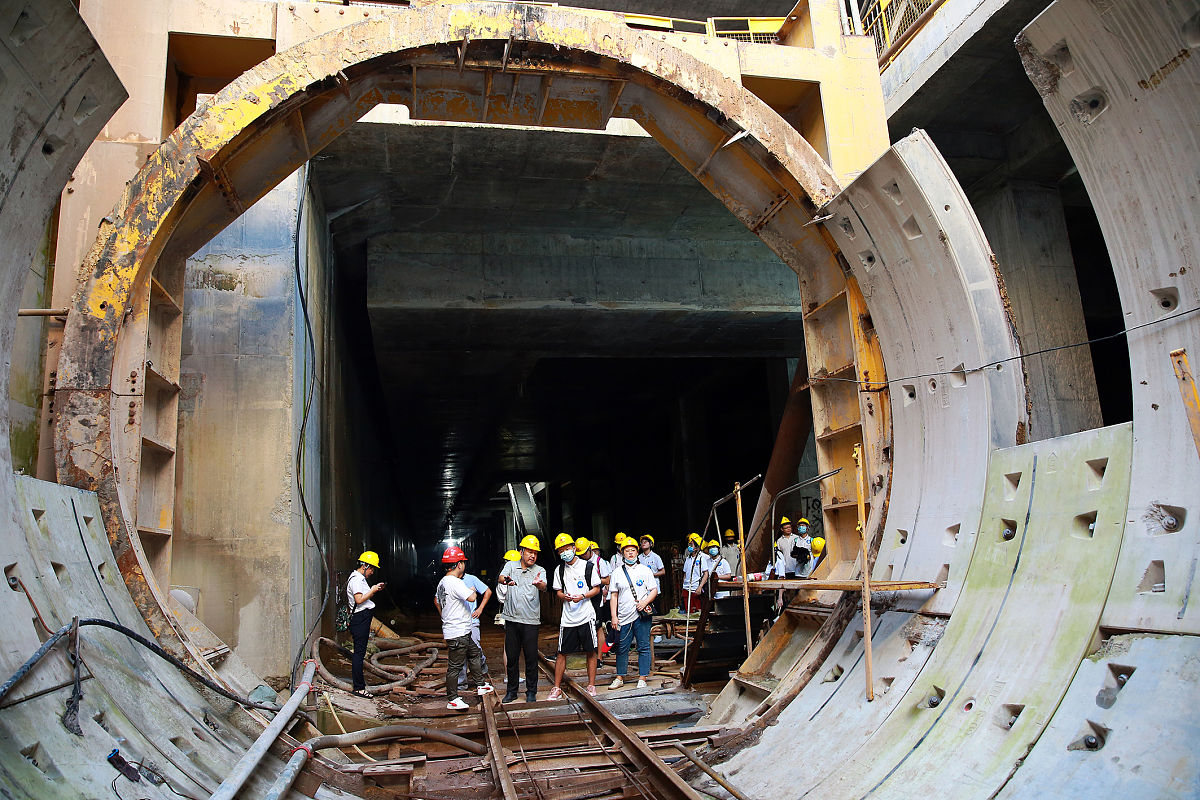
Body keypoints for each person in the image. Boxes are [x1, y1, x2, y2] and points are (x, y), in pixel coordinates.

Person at [435, 546, 493, 710]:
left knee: (474, 654)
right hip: (458, 631)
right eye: (463, 562)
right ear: (459, 564)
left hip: (462, 630)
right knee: (455, 666)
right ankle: (453, 699)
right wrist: (471, 590)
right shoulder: (455, 582)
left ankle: (480, 685)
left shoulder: (442, 582)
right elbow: (472, 597)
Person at [549, 532, 602, 699]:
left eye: (567, 549)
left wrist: (583, 596)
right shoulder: (559, 570)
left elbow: (597, 588)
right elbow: (558, 591)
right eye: (561, 550)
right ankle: (556, 688)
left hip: (586, 615)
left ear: (574, 548)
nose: (564, 552)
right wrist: (563, 596)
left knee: (591, 651)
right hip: (568, 618)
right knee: (561, 652)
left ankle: (591, 685)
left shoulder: (588, 566)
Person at [498, 535, 547, 703]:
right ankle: (511, 692)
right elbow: (501, 578)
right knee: (512, 658)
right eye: (529, 552)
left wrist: (539, 584)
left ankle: (531, 691)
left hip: (531, 621)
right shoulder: (510, 566)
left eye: (535, 553)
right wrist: (506, 580)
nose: (532, 555)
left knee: (531, 658)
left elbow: (544, 586)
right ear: (521, 552)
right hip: (512, 620)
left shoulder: (540, 570)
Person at [608, 538, 658, 690]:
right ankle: (620, 677)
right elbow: (614, 595)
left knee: (643, 646)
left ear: (637, 552)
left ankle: (642, 677)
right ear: (622, 553)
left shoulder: (645, 570)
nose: (630, 553)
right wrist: (614, 616)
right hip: (623, 615)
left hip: (641, 615)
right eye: (627, 551)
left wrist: (645, 602)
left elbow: (654, 590)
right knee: (622, 647)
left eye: (633, 550)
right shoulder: (617, 572)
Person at [346, 551, 386, 697]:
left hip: (362, 617)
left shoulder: (359, 579)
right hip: (360, 618)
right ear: (365, 566)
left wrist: (374, 589)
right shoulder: (356, 579)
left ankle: (359, 685)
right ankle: (358, 688)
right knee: (359, 654)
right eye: (372, 568)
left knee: (360, 653)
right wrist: (373, 589)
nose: (372, 572)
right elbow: (359, 599)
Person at [456, 568, 493, 690]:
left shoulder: (471, 579)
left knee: (476, 649)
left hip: (472, 621)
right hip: (458, 624)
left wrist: (480, 609)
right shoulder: (449, 581)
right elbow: (437, 600)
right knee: (460, 653)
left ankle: (481, 667)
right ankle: (461, 684)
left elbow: (488, 591)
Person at [681, 534, 710, 613]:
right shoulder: (688, 559)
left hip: (695, 588)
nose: (689, 546)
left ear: (697, 547)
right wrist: (684, 585)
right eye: (689, 545)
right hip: (686, 588)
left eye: (691, 545)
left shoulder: (701, 559)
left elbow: (706, 574)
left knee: (697, 611)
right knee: (688, 611)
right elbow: (685, 574)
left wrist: (700, 587)